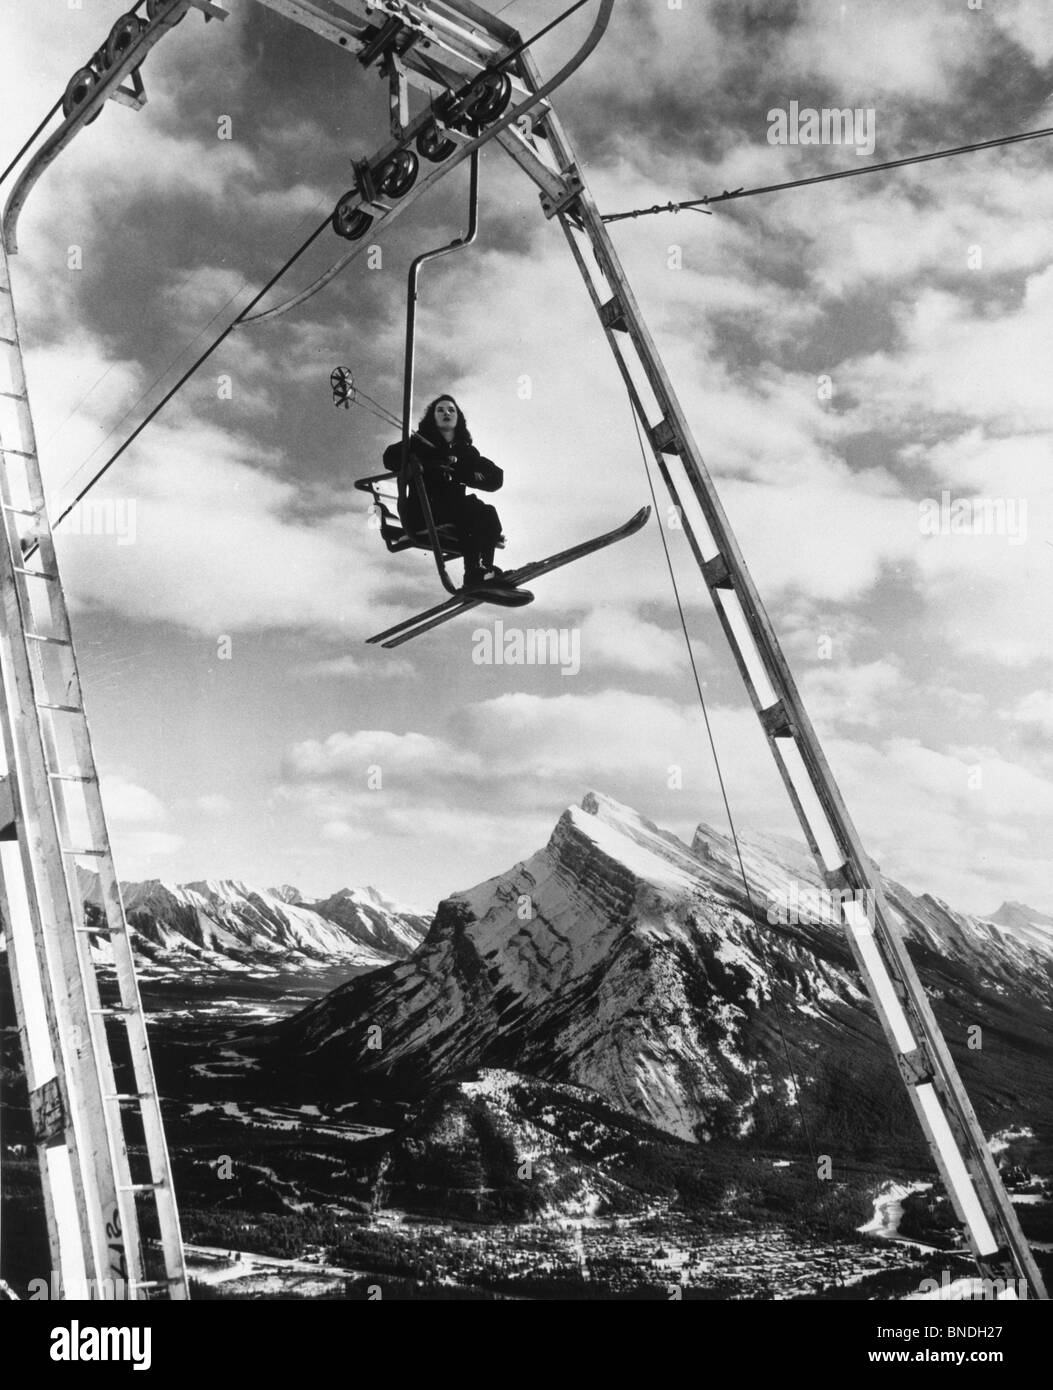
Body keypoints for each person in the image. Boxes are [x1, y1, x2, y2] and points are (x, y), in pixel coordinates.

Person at [383, 395, 510, 593]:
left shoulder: (465, 451)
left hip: (455, 509)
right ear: (432, 418)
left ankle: (485, 569)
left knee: (487, 513)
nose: (446, 413)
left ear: (458, 417)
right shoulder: (419, 443)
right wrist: (419, 461)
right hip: (424, 511)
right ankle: (474, 573)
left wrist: (468, 475)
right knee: (470, 511)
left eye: (451, 410)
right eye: (440, 410)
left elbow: (496, 478)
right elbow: (389, 458)